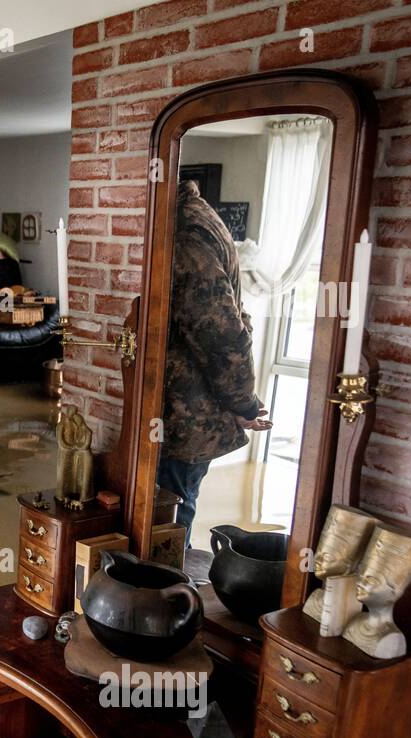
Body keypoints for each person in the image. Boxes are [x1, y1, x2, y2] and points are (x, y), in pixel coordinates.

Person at [158, 179, 271, 550]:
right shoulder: (184, 218)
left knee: (169, 525)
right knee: (168, 516)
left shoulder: (187, 230)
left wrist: (243, 403)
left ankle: (169, 600)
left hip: (185, 417)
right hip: (180, 414)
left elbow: (221, 334)